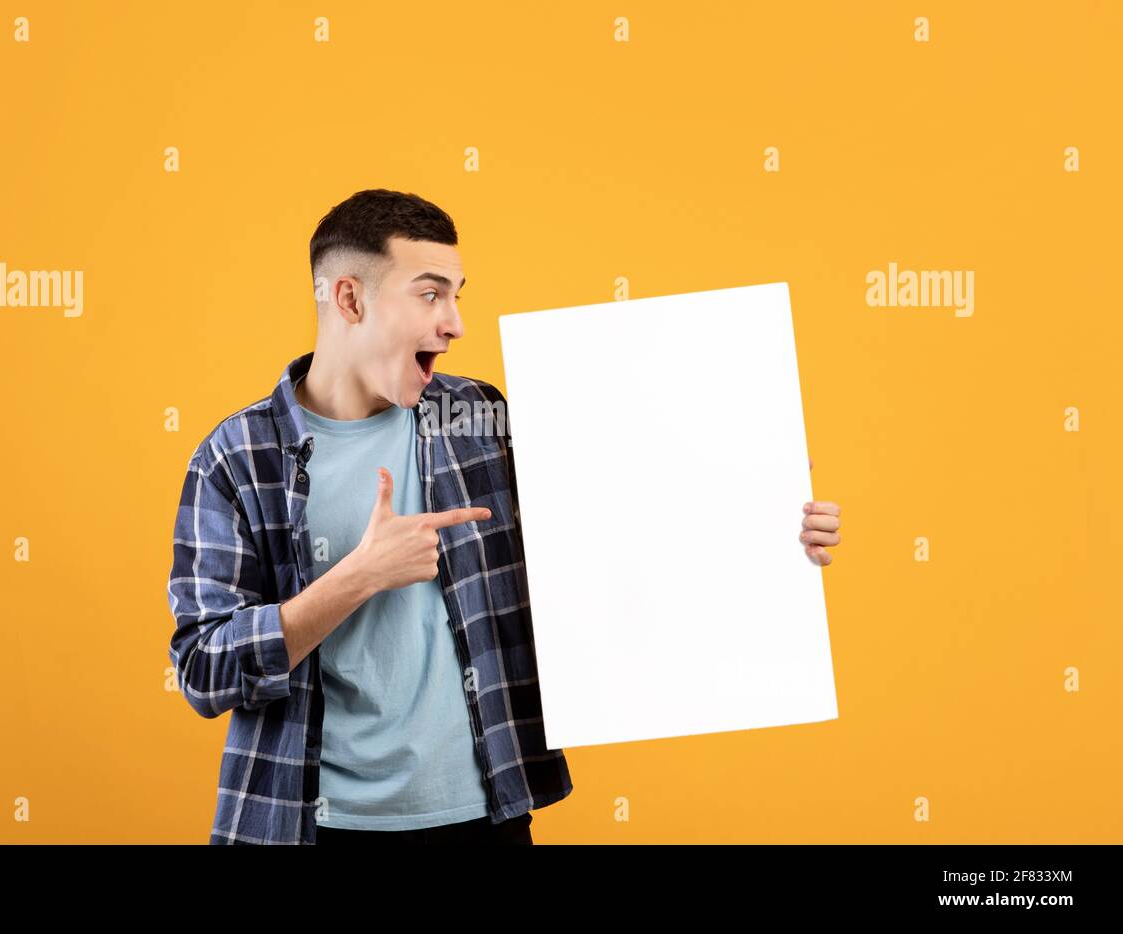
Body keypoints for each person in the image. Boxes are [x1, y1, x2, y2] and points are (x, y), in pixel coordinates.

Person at [166, 188, 843, 845]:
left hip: (484, 819)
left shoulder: (480, 420)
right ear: (349, 298)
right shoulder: (236, 457)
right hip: (307, 826)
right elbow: (203, 670)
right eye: (430, 294)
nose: (455, 322)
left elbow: (618, 526)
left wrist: (766, 518)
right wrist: (358, 577)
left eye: (458, 296)